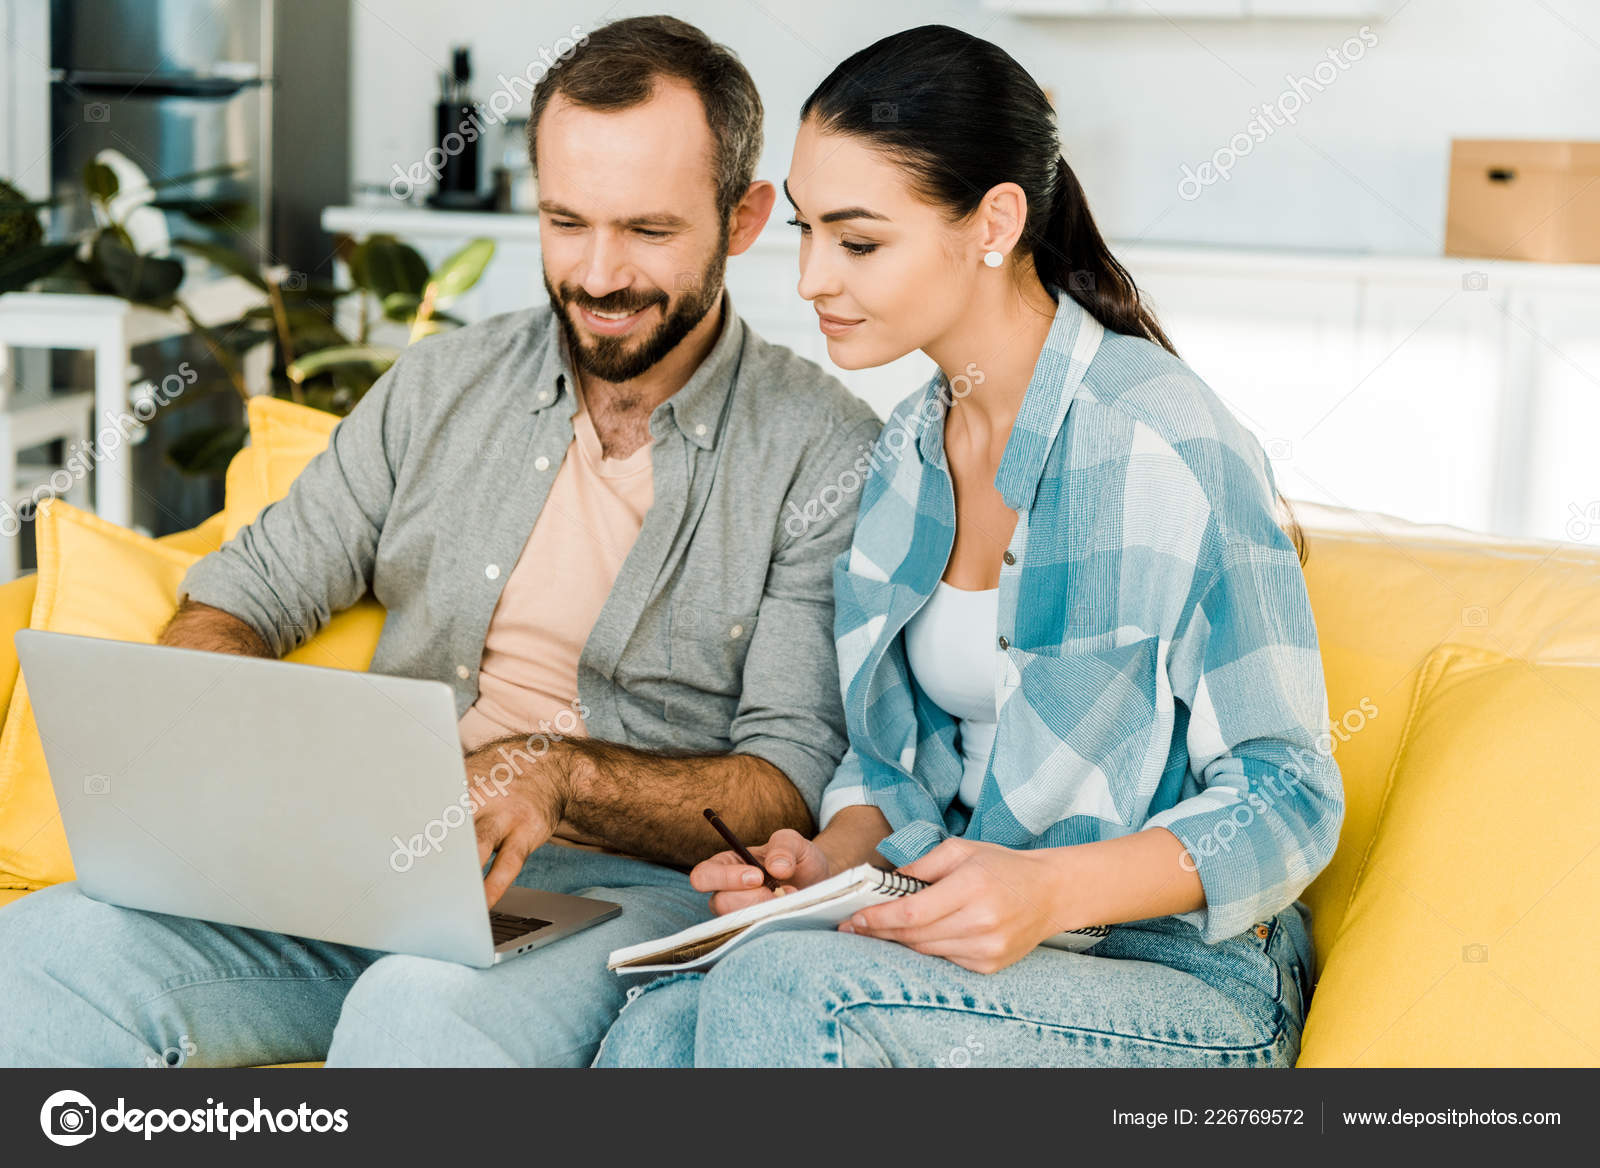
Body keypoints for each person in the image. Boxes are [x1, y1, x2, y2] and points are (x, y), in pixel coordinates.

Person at [0, 15, 881, 1069]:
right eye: (567, 221)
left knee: (419, 1010)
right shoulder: (439, 385)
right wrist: (222, 752)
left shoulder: (824, 450)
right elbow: (247, 591)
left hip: (619, 896)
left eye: (647, 230)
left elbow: (782, 781)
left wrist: (558, 777)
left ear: (741, 219)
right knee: (36, 956)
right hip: (374, 870)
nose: (597, 276)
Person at [593, 24, 1344, 1070]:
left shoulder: (1163, 440)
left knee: (786, 992)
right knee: (662, 1021)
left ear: (993, 222)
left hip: (1172, 978)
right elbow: (888, 762)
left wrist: (1045, 889)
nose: (810, 276)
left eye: (856, 242)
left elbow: (1289, 798)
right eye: (806, 231)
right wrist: (825, 864)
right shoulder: (904, 452)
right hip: (957, 949)